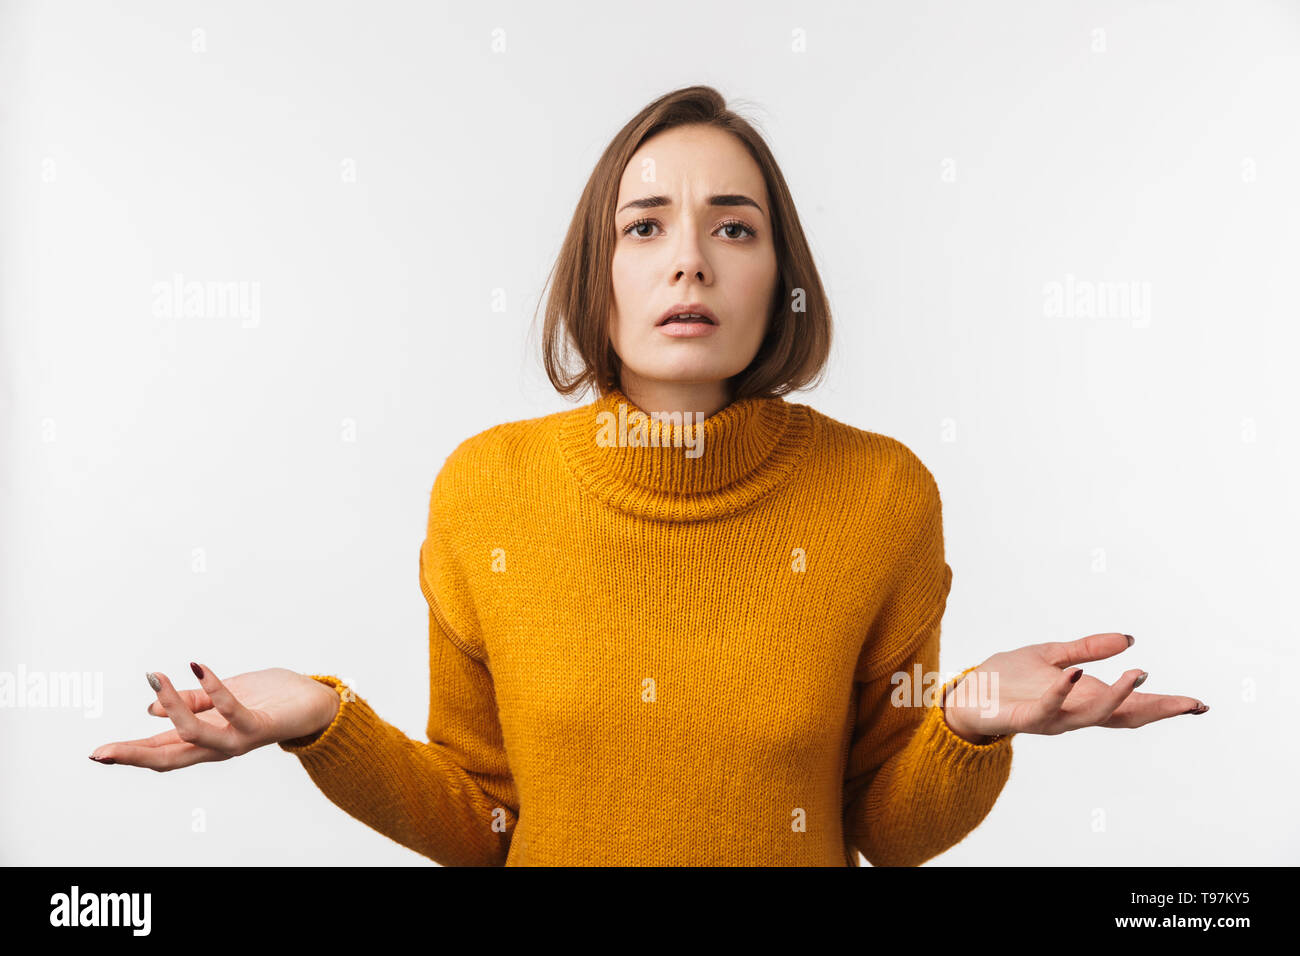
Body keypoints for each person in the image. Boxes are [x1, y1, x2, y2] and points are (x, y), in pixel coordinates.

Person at [88, 85, 1208, 866]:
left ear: (781, 276)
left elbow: (885, 829)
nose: (689, 259)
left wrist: (964, 723)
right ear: (600, 269)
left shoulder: (878, 495)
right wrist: (317, 717)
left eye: (734, 226)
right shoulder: (488, 488)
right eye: (645, 226)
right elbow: (484, 824)